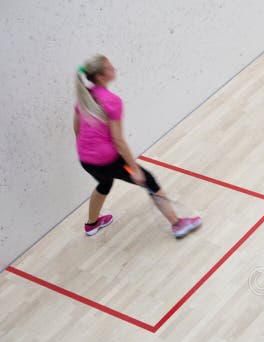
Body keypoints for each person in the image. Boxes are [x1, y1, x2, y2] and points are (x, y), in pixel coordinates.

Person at [74, 55, 201, 238]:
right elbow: (118, 140)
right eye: (110, 68)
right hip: (107, 160)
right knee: (149, 181)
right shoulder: (112, 101)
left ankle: (92, 224)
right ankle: (178, 224)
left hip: (86, 160)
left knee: (104, 182)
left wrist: (91, 150)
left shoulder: (84, 97)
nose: (114, 70)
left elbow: (77, 129)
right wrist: (134, 169)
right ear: (101, 76)